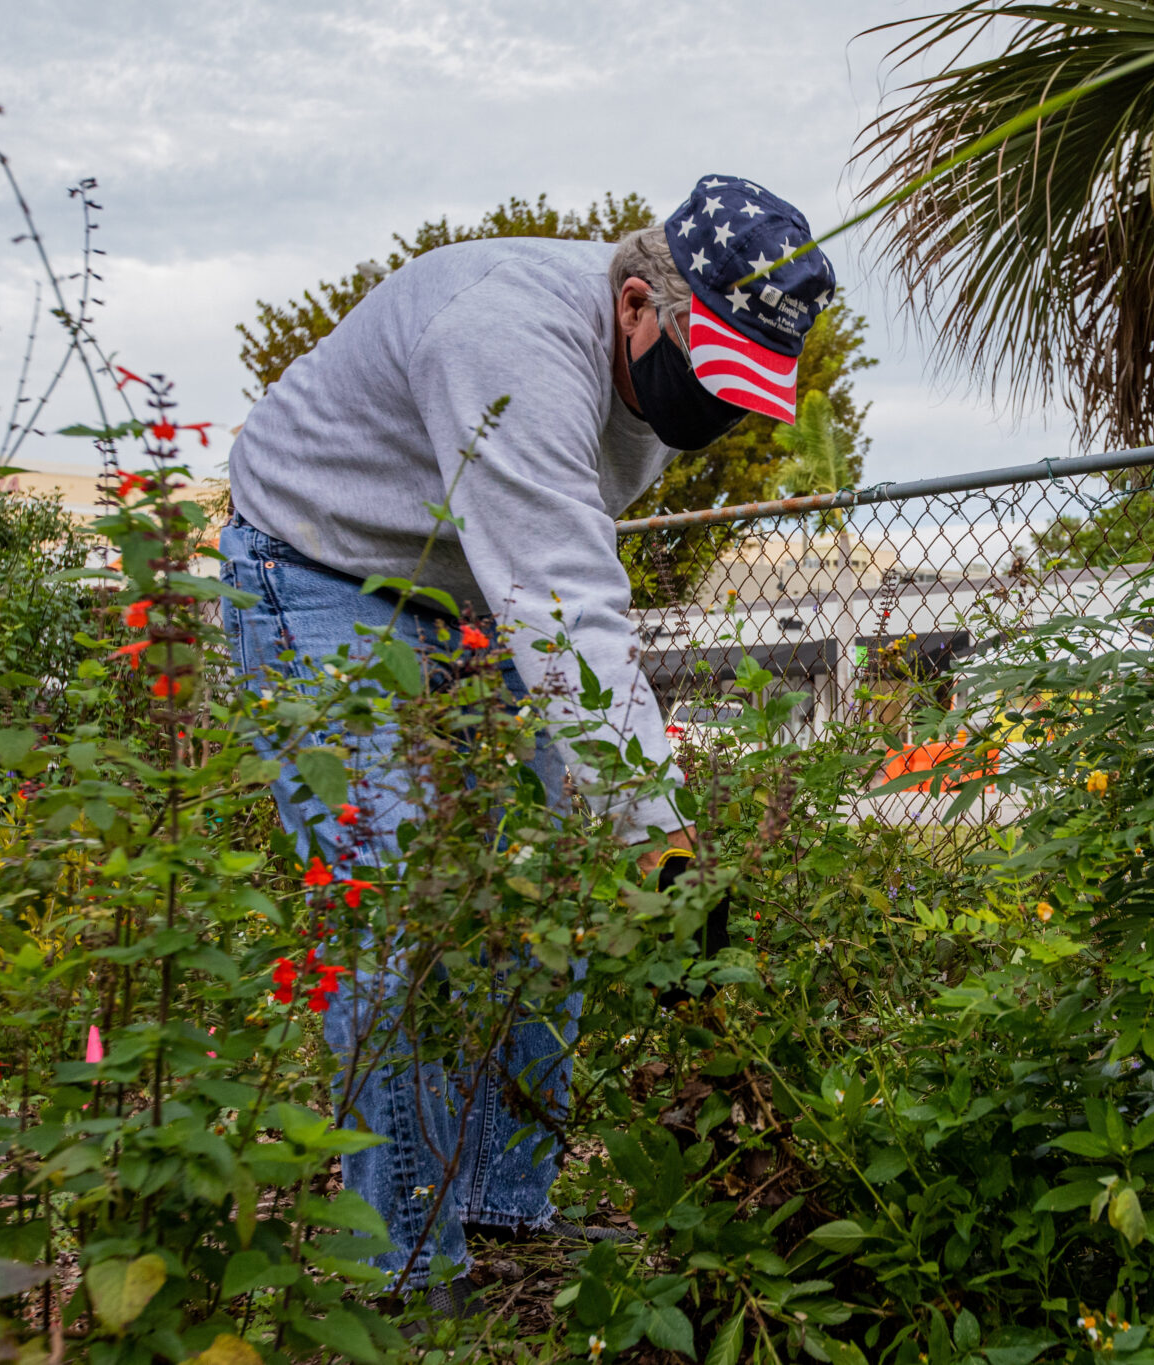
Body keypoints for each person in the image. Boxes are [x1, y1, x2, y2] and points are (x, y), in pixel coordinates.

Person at [216, 176, 837, 1312]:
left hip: (466, 585)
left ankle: (503, 1205)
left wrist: (637, 847)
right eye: (712, 376)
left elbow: (554, 579)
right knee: (401, 896)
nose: (719, 414)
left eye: (749, 389)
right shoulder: (505, 335)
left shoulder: (648, 373)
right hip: (316, 564)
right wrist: (663, 835)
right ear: (639, 303)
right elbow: (562, 611)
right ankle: (403, 1267)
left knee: (560, 874)